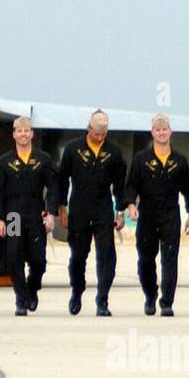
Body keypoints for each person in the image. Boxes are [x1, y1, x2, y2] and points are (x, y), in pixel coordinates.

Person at [125, 114, 189, 317]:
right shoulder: (141, 159)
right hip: (147, 214)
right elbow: (132, 184)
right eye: (158, 130)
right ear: (152, 133)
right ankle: (150, 295)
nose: (161, 133)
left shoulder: (179, 160)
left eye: (164, 129)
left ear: (170, 132)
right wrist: (131, 205)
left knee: (170, 259)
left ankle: (167, 302)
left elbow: (187, 188)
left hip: (170, 215)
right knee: (146, 260)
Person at [56, 109, 126, 316]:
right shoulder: (73, 149)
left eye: (103, 135)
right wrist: (61, 208)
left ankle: (102, 299)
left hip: (103, 207)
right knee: (78, 256)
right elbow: (62, 179)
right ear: (88, 130)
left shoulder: (113, 152)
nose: (99, 138)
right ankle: (77, 291)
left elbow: (119, 184)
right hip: (79, 207)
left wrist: (119, 210)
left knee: (106, 255)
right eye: (96, 134)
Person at [0, 115, 57, 316]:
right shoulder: (5, 161)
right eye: (19, 131)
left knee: (39, 259)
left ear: (32, 133)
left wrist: (51, 213)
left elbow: (53, 187)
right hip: (13, 215)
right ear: (13, 134)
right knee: (14, 256)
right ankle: (21, 299)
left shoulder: (43, 159)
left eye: (26, 130)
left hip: (35, 212)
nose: (23, 134)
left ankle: (32, 287)